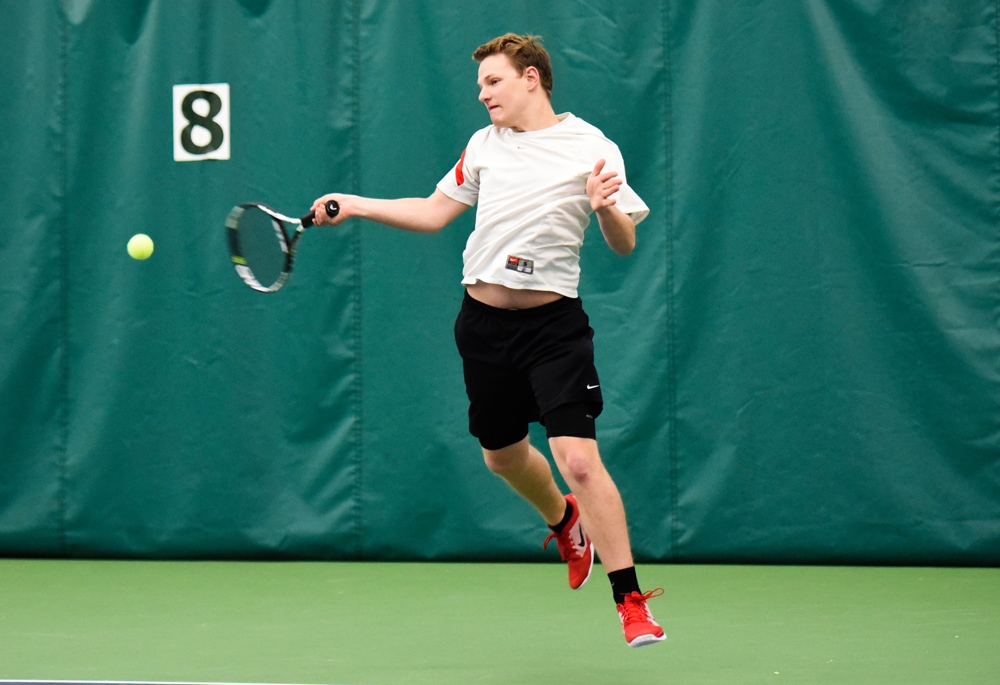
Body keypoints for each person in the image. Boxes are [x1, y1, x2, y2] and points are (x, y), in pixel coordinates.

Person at [311, 32, 664, 648]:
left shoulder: (592, 147)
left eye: (493, 82)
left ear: (532, 78)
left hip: (554, 328)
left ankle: (629, 599)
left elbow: (624, 242)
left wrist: (603, 207)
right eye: (480, 86)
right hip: (481, 322)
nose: (483, 95)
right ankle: (563, 521)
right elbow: (432, 212)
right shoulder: (483, 145)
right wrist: (357, 204)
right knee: (500, 457)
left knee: (577, 458)